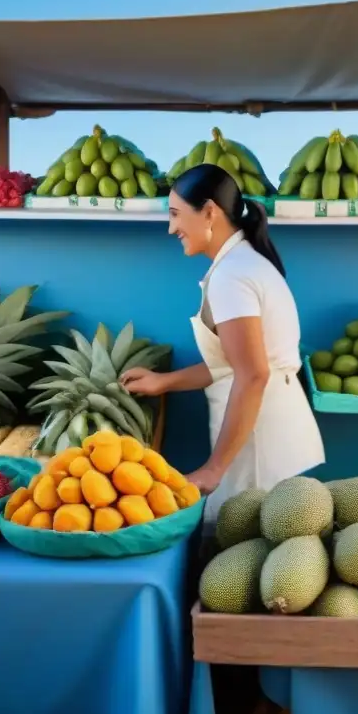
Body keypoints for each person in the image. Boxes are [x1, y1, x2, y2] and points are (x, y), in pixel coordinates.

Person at [120, 163, 325, 526]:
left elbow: (253, 375)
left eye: (176, 215)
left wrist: (213, 470)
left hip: (258, 446)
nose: (172, 228)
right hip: (269, 432)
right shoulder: (244, 263)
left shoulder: (233, 275)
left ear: (210, 211)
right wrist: (163, 381)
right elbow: (237, 364)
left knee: (245, 564)